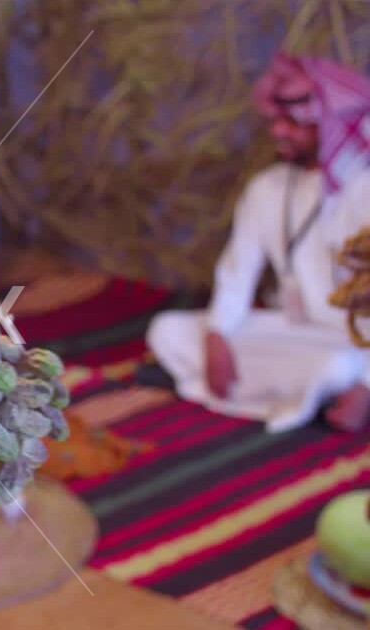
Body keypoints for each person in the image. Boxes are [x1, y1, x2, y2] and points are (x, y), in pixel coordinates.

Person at [146, 53, 370, 434]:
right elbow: (236, 276)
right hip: (295, 332)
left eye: (294, 122)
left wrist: (367, 383)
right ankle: (308, 398)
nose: (279, 132)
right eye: (276, 120)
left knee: (337, 367)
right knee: (168, 332)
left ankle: (335, 392)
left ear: (329, 123)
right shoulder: (266, 188)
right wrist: (218, 337)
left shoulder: (363, 191)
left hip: (356, 349)